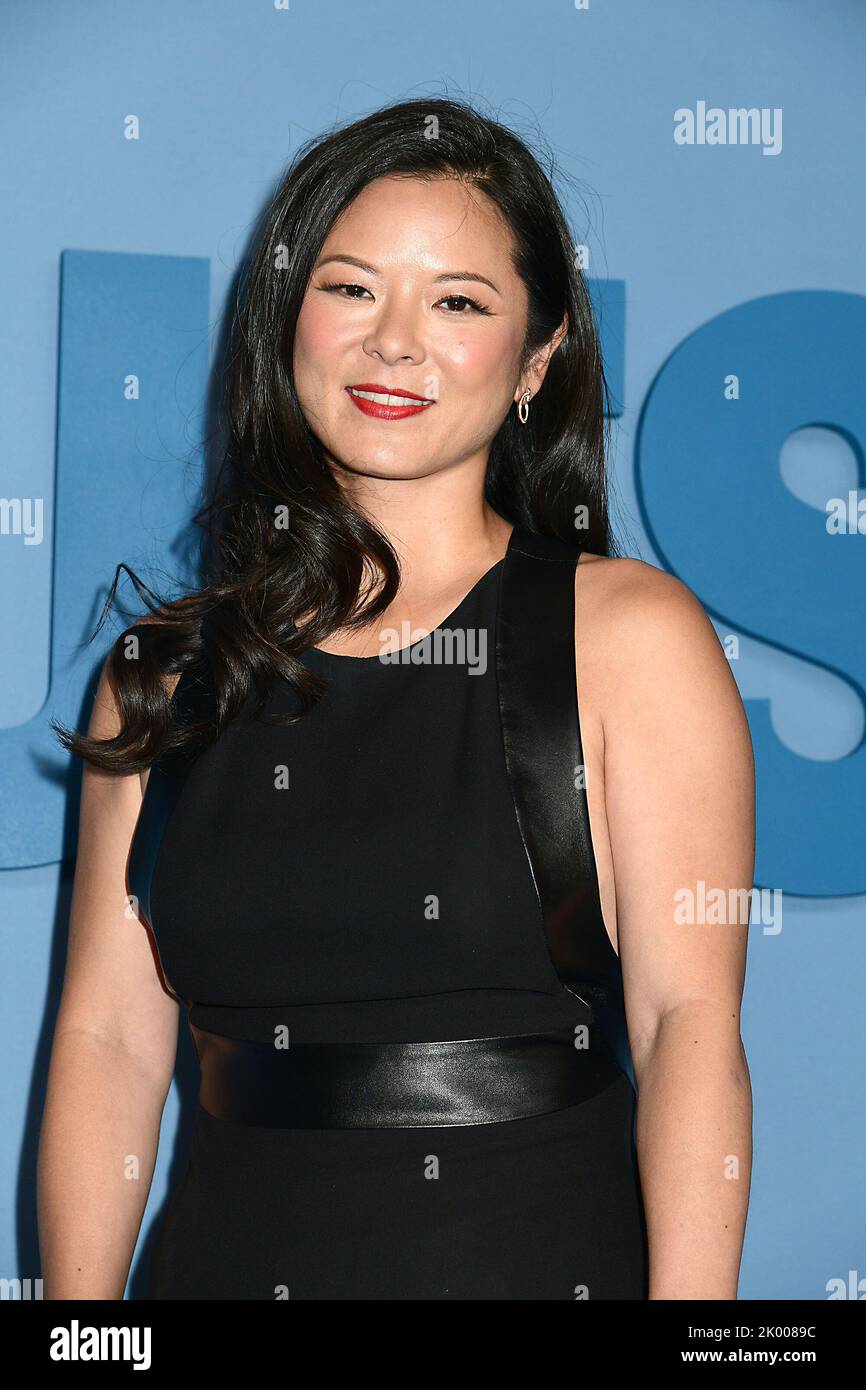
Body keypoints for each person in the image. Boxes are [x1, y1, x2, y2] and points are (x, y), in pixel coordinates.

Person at [38, 96, 755, 1300]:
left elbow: (686, 1029)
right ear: (287, 320)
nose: (393, 344)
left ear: (535, 361)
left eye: (456, 302)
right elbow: (106, 1040)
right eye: (351, 288)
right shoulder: (166, 673)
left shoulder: (627, 637)